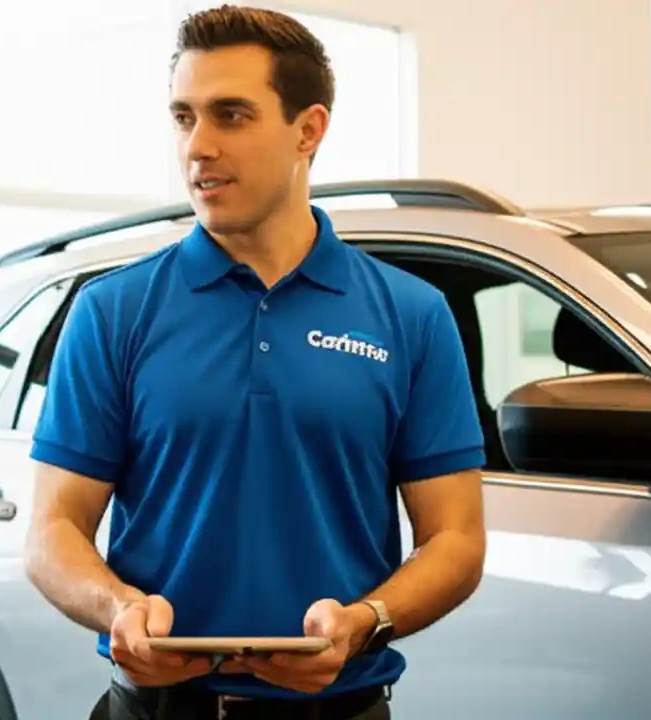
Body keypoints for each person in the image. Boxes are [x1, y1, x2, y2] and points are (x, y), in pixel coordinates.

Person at [24, 5, 487, 719]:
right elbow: (53, 531)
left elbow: (455, 539)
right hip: (156, 709)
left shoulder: (413, 315)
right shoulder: (112, 310)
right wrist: (117, 609)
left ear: (309, 129)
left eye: (230, 116)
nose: (197, 147)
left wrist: (365, 622)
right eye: (184, 118)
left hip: (341, 707)